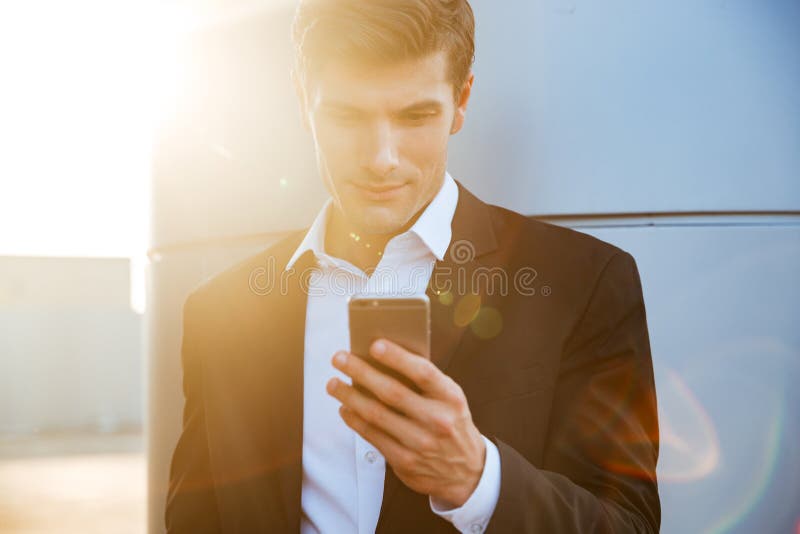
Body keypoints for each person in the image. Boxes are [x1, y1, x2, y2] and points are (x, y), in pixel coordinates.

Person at [165, 0, 660, 532]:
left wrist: (479, 481)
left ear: (462, 100)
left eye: (415, 116)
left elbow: (628, 524)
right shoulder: (219, 313)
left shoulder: (583, 284)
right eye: (347, 115)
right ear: (302, 102)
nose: (381, 158)